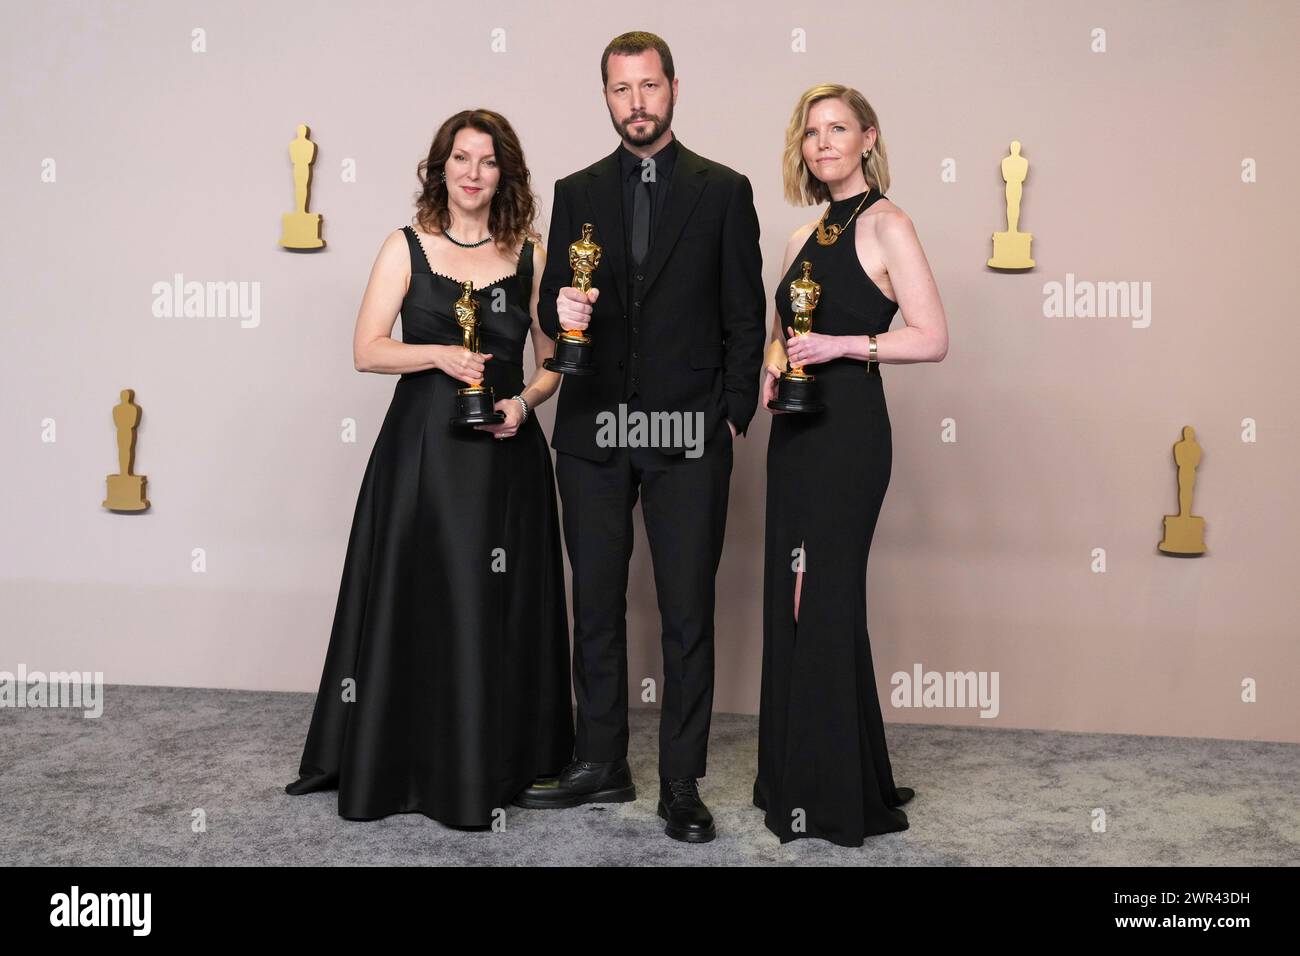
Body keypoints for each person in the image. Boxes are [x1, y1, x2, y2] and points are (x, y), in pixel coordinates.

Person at [284, 109, 575, 827]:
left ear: (503, 173)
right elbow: (367, 349)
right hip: (425, 456)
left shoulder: (530, 254)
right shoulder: (405, 246)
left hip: (506, 458)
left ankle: (498, 760)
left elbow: (553, 362)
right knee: (427, 600)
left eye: (487, 161)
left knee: (496, 604)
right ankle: (411, 761)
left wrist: (525, 404)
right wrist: (439, 355)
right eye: (460, 159)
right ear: (440, 168)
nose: (472, 173)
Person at [512, 31, 766, 844]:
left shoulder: (724, 190)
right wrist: (562, 318)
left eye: (648, 86)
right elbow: (556, 307)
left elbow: (743, 313)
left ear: (674, 89)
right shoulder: (575, 188)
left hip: (688, 431)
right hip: (593, 429)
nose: (637, 103)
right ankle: (601, 763)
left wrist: (730, 413)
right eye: (621, 90)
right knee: (596, 603)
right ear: (607, 98)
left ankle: (682, 781)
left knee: (688, 610)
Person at [754, 84, 949, 846]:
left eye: (838, 129)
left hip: (849, 433)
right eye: (811, 132)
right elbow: (781, 328)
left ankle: (832, 798)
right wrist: (774, 361)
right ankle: (818, 774)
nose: (823, 142)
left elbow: (931, 337)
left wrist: (843, 346)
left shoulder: (888, 224)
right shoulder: (804, 233)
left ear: (868, 138)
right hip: (795, 431)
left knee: (822, 598)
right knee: (792, 595)